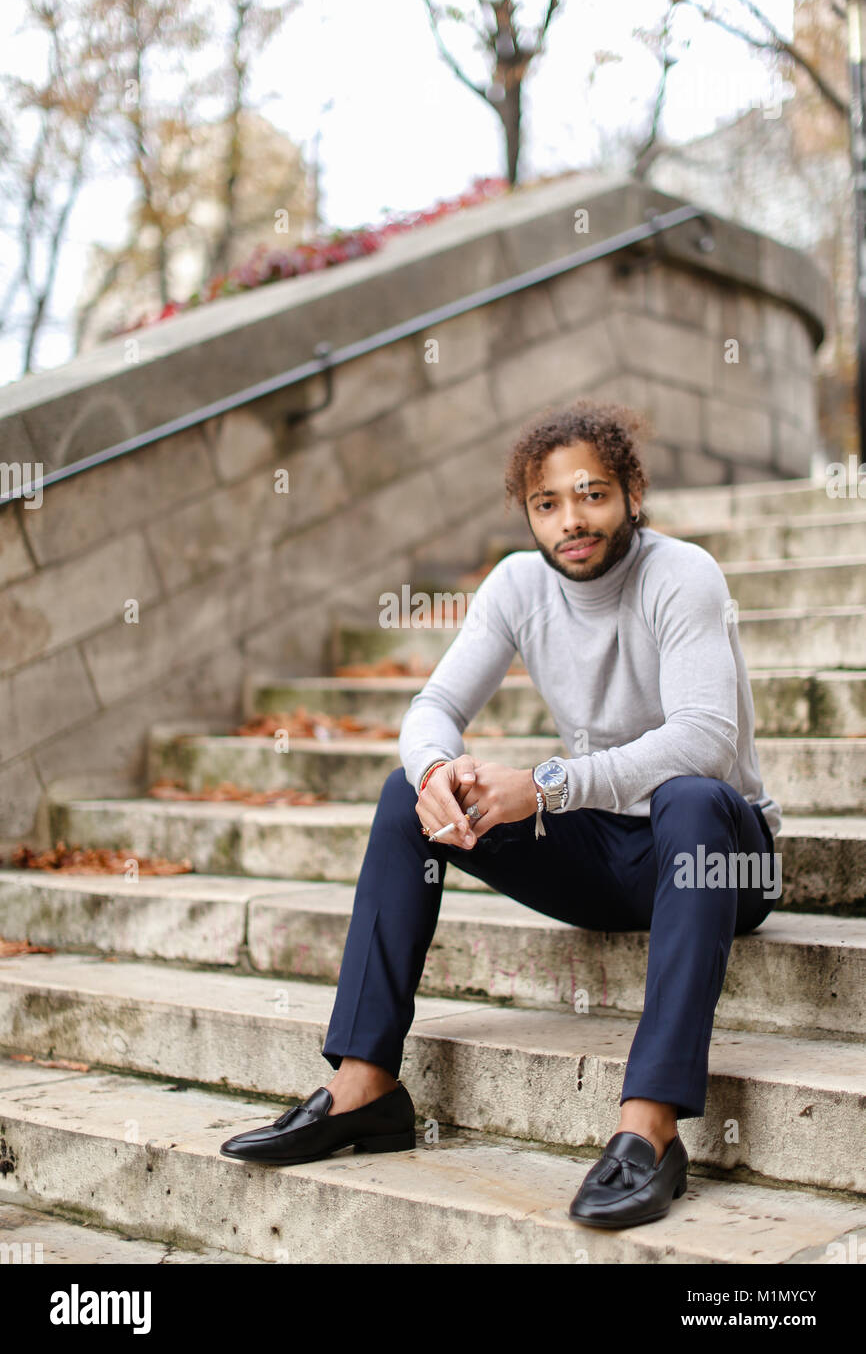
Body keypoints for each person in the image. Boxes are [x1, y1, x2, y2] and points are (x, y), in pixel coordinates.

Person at [220, 397, 781, 1230]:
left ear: (633, 490)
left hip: (721, 862)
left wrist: (547, 784)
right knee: (405, 796)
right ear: (528, 512)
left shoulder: (683, 574)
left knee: (690, 796)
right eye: (547, 504)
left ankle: (650, 1126)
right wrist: (441, 771)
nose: (571, 521)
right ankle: (365, 1083)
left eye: (591, 494)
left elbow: (702, 740)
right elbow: (433, 705)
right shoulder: (518, 584)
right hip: (608, 860)